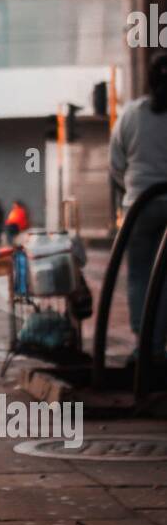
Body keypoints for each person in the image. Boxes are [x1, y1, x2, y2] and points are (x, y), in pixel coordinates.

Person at [109, 52, 167, 358]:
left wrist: (131, 187)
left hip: (140, 206)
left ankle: (144, 346)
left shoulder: (131, 114)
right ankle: (160, 344)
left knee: (140, 275)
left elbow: (116, 165)